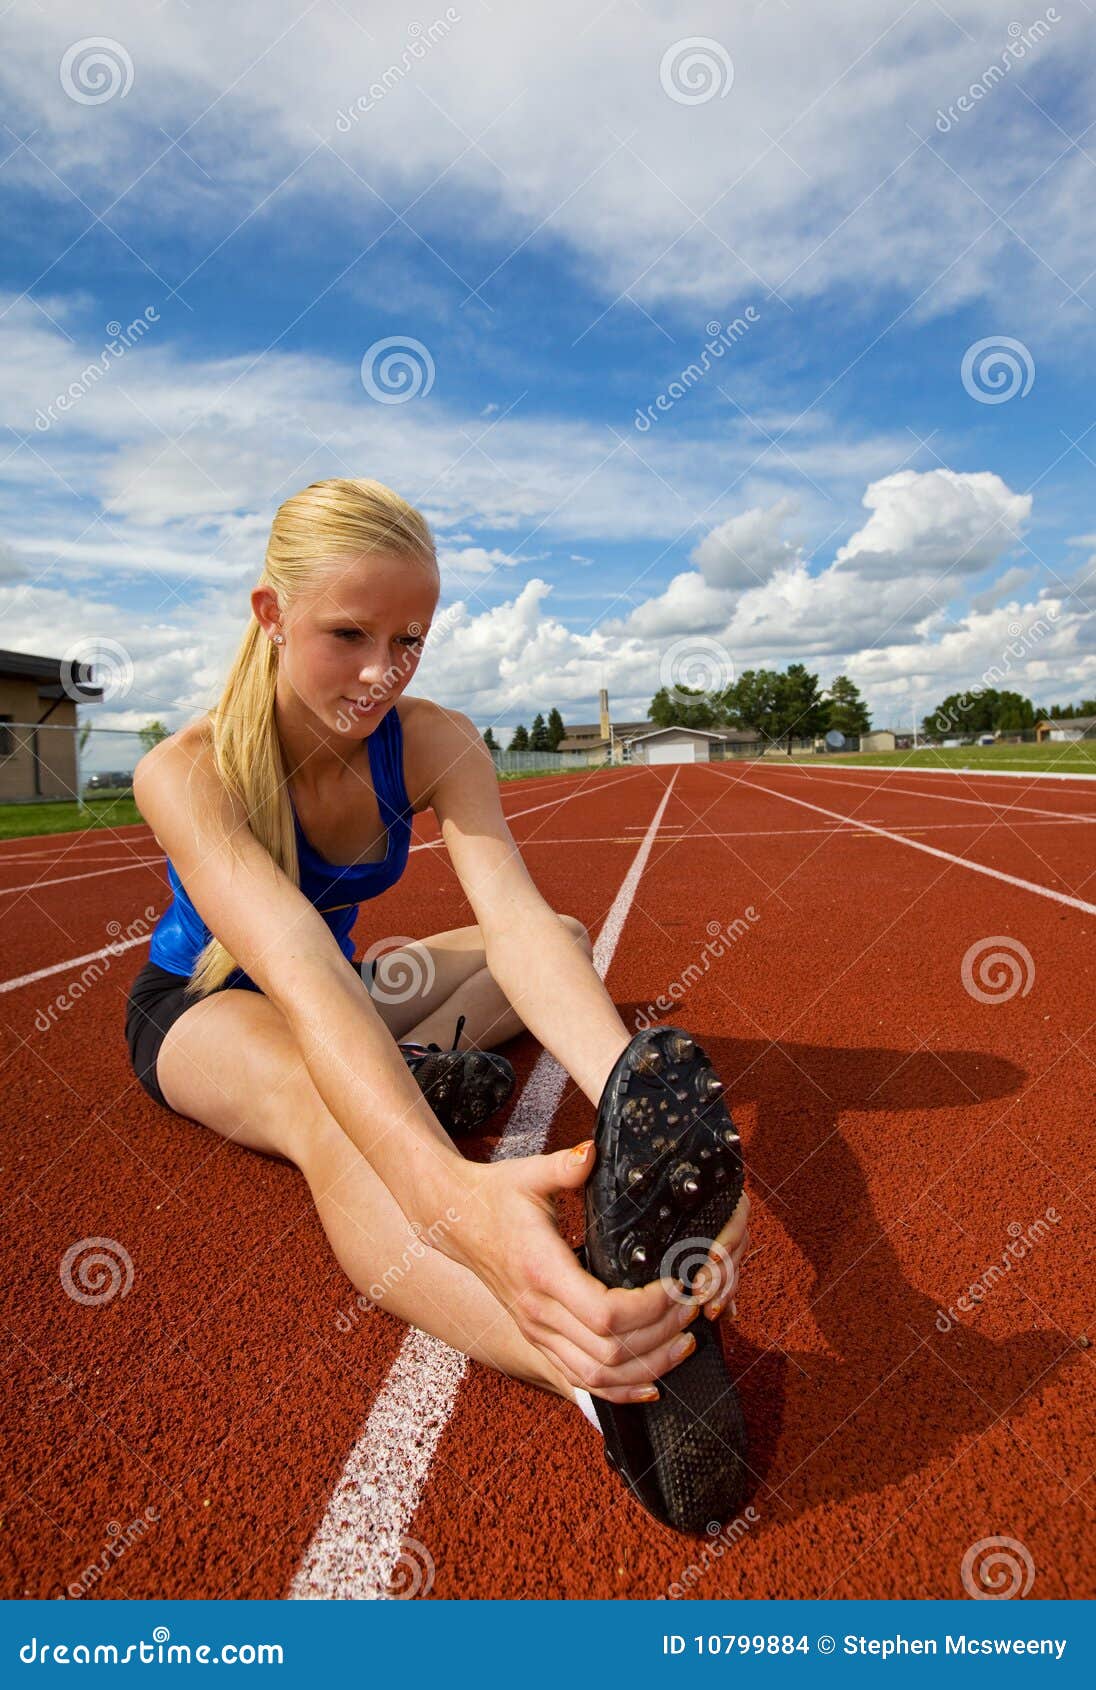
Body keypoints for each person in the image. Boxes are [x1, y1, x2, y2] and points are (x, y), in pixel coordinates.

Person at [123, 476, 750, 1522]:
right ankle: (595, 1375)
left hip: (349, 989)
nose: (382, 671)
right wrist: (447, 1195)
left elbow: (512, 922)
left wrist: (646, 1111)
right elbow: (296, 967)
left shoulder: (434, 740)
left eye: (408, 640)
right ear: (271, 614)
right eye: (349, 634)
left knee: (560, 938)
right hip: (206, 1007)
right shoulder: (183, 771)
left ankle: (413, 1070)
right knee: (332, 1106)